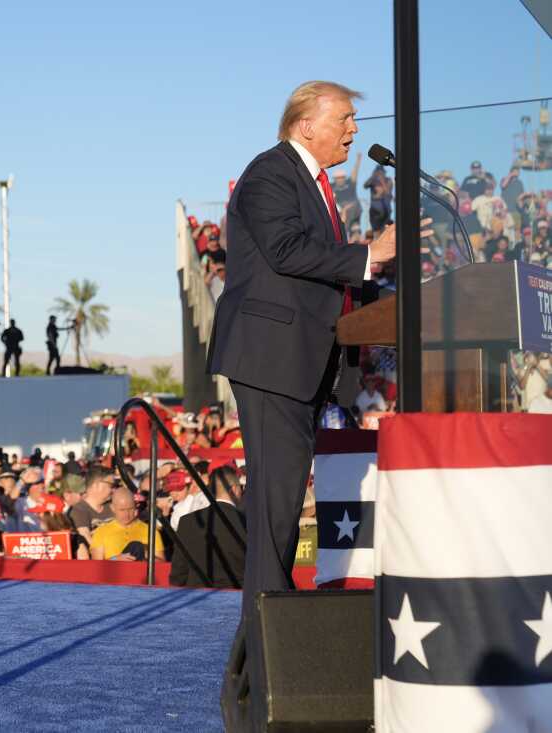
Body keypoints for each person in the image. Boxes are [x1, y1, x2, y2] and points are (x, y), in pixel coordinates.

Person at [205, 80, 396, 731]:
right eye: (345, 118)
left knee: (280, 513)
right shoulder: (270, 172)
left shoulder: (313, 182)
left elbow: (316, 277)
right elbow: (287, 252)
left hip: (299, 363)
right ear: (306, 122)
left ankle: (263, 663)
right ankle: (266, 672)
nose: (353, 130)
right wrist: (369, 254)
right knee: (274, 515)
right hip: (270, 360)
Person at [169, 465, 247, 589]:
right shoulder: (247, 523)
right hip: (237, 595)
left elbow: (178, 574)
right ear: (234, 489)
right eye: (241, 487)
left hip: (196, 595)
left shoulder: (187, 522)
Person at [89, 488, 165, 561]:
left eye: (130, 509)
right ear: (112, 508)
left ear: (136, 507)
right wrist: (115, 559)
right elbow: (96, 566)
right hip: (114, 569)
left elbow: (162, 564)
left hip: (141, 569)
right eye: (122, 510)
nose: (126, 514)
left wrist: (145, 555)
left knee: (137, 547)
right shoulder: (101, 532)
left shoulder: (150, 531)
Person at [69, 466, 115, 543]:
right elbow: (87, 539)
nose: (113, 490)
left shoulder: (113, 505)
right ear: (96, 485)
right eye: (111, 485)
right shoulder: (79, 510)